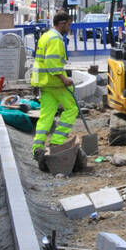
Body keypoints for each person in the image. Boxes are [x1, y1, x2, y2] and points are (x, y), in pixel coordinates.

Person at [31, 11, 79, 167]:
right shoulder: (56, 39)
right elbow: (52, 63)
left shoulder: (45, 36)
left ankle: (37, 148)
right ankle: (57, 142)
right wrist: (64, 79)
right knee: (72, 109)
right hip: (55, 82)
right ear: (62, 23)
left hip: (44, 82)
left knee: (46, 115)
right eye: (69, 24)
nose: (69, 28)